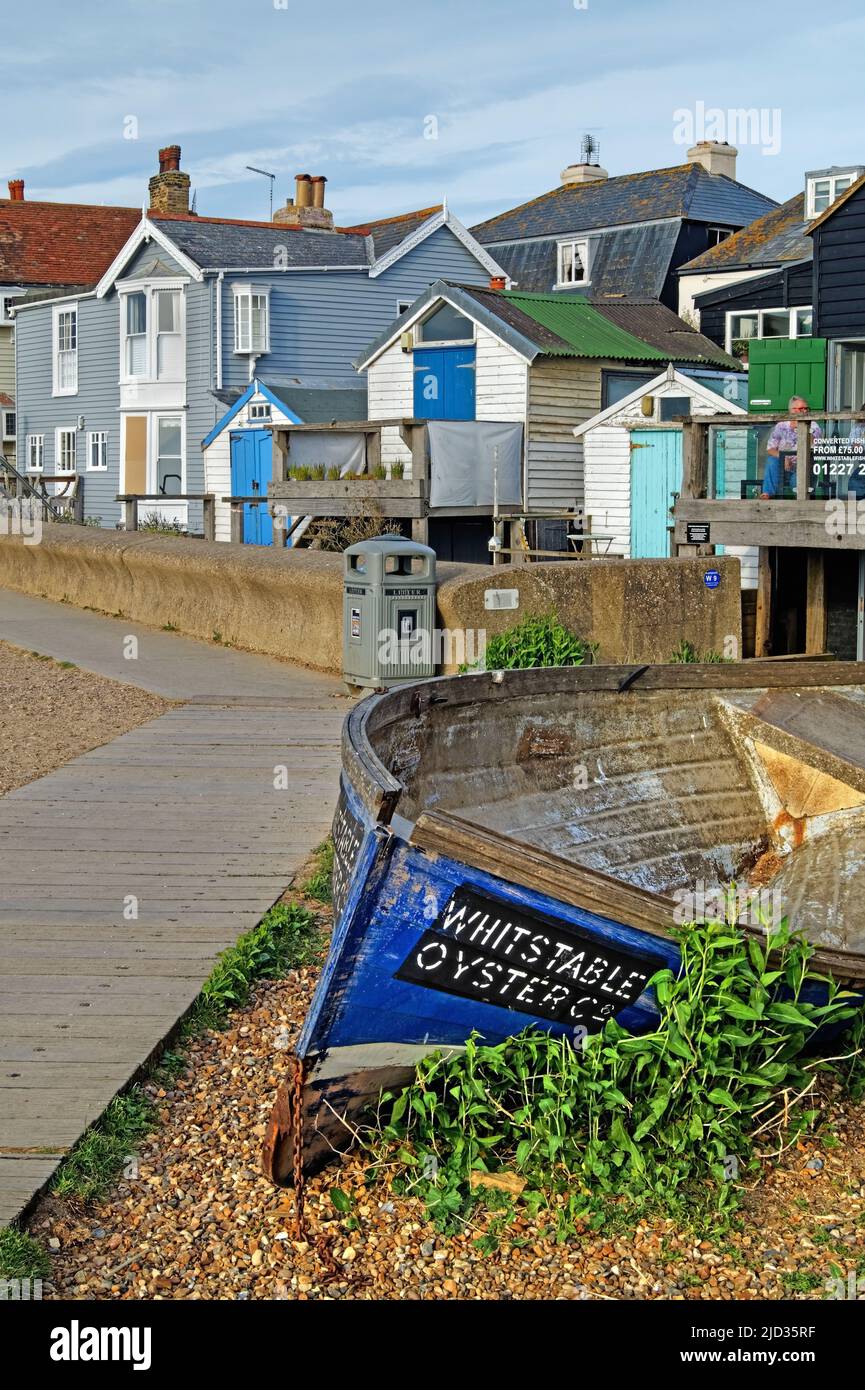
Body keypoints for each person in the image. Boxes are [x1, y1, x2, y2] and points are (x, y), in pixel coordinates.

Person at [760, 396, 821, 498]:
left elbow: (815, 446)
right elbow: (770, 449)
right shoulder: (781, 426)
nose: (805, 411)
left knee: (797, 482)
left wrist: (805, 426)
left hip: (803, 467)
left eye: (807, 408)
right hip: (782, 467)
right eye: (801, 409)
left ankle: (801, 504)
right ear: (791, 411)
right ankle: (767, 494)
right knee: (772, 460)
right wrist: (783, 458)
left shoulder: (814, 426)